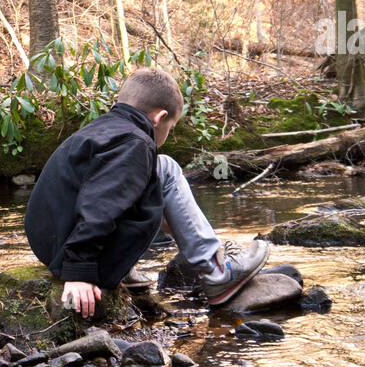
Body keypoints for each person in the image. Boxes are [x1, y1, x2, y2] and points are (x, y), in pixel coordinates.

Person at [24, 66, 270, 318]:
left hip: (52, 246)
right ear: (159, 117)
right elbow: (101, 205)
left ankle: (126, 270)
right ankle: (216, 272)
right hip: (71, 257)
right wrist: (79, 271)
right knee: (166, 168)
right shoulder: (134, 143)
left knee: (149, 177)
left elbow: (97, 194)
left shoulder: (101, 130)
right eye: (170, 128)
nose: (168, 135)